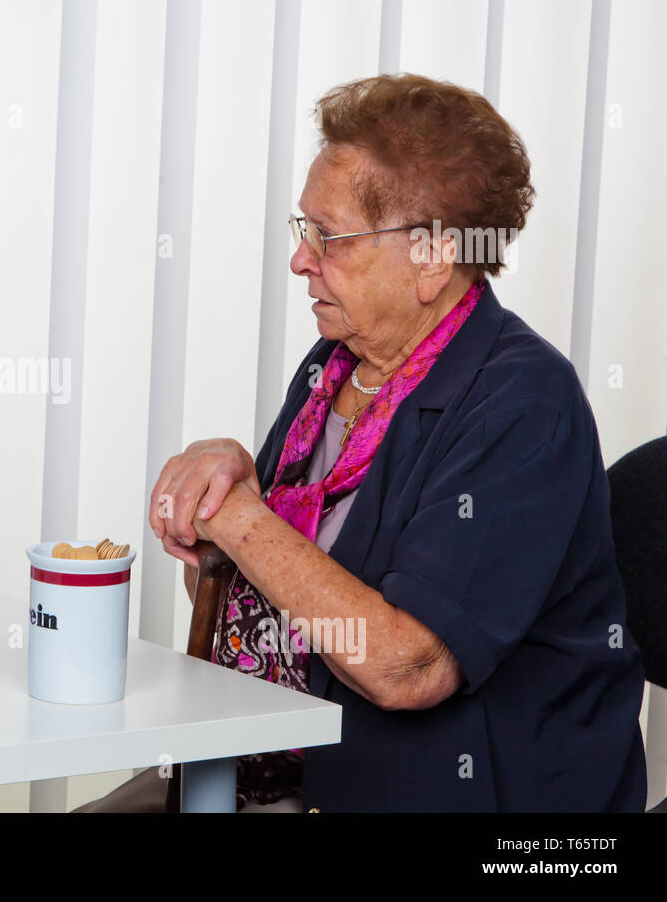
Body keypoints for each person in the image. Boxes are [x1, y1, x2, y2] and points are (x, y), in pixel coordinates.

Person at [90, 73, 647, 812]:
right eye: (304, 229)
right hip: (281, 766)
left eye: (332, 237)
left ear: (433, 259)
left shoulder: (524, 403)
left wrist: (239, 517)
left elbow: (406, 666)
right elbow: (262, 609)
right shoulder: (337, 368)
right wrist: (223, 498)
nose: (301, 258)